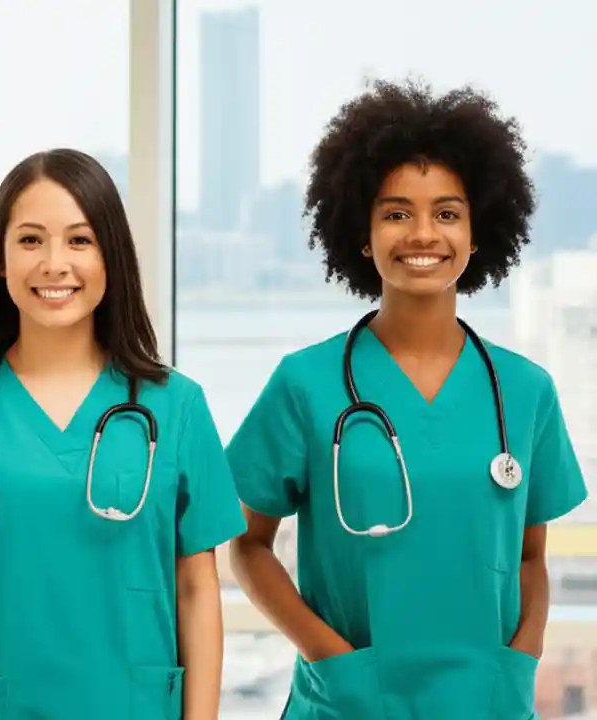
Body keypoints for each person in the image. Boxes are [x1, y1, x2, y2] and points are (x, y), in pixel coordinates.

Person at [226, 79, 589, 719]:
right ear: (362, 234)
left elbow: (532, 556)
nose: (423, 233)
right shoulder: (304, 384)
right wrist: (325, 654)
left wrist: (522, 656)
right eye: (397, 213)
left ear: (479, 234)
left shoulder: (525, 392)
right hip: (349, 702)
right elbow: (248, 545)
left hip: (487, 701)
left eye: (447, 213)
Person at [0, 148, 245, 719]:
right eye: (29, 240)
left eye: (79, 240)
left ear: (110, 257)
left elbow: (198, 587)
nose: (54, 264)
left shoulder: (176, 407)